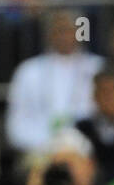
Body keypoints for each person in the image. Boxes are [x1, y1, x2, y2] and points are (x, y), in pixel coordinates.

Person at [6, 9, 104, 154]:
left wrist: (75, 142)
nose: (65, 36)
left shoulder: (97, 68)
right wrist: (50, 145)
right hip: (38, 151)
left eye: (70, 30)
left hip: (87, 151)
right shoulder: (28, 71)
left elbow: (104, 120)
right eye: (59, 30)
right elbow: (16, 126)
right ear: (49, 34)